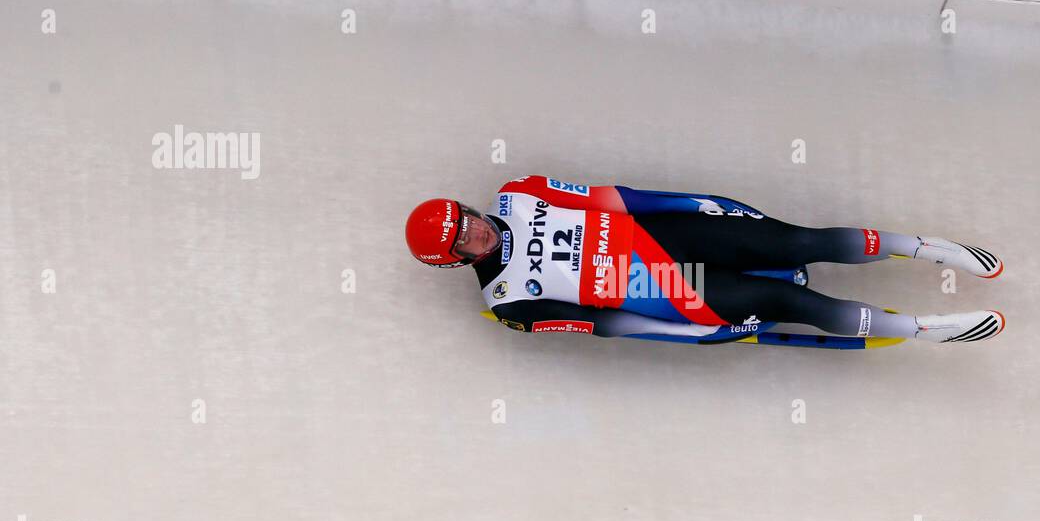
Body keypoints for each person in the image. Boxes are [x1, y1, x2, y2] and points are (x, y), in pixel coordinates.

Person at [405, 176, 1004, 343]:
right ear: (455, 260)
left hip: (669, 233)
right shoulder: (508, 303)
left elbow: (616, 197)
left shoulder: (521, 192)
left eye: (468, 218)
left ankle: (922, 248)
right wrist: (689, 333)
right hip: (664, 289)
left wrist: (700, 205)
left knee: (797, 242)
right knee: (787, 301)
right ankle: (922, 329)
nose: (477, 233)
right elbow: (607, 325)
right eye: (463, 242)